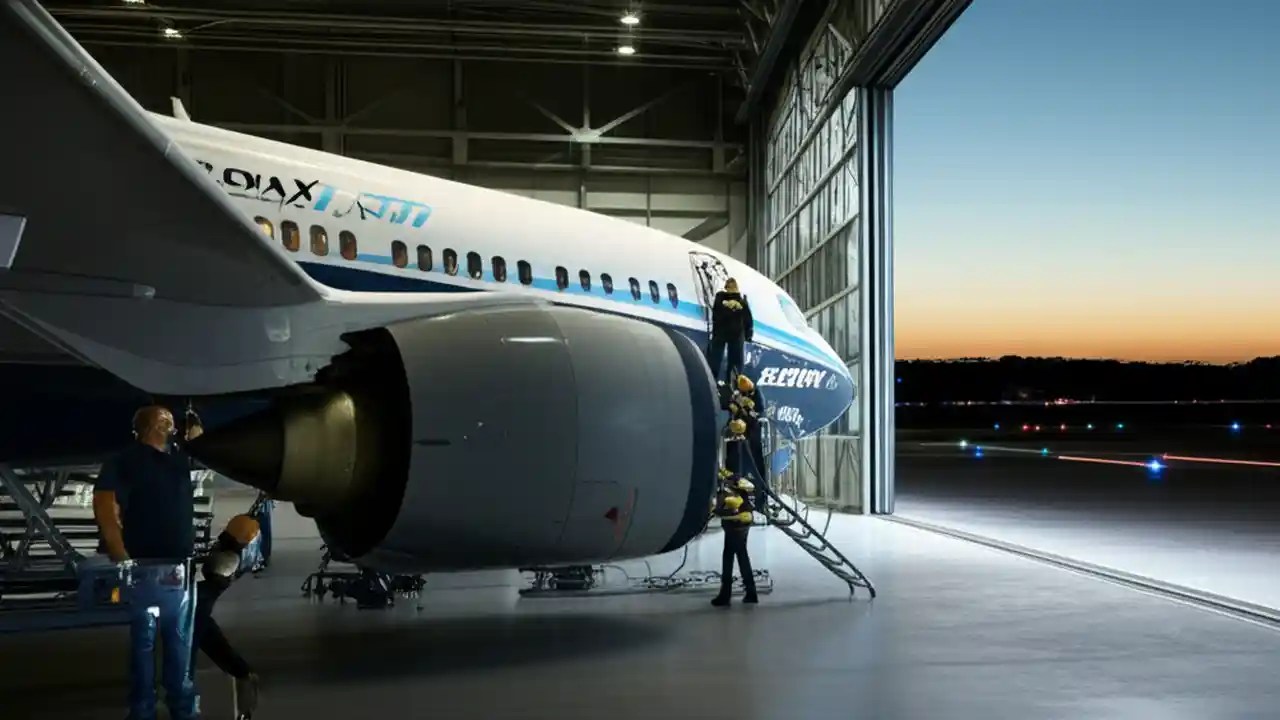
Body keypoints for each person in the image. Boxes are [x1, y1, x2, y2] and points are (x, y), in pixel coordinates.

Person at [93, 405, 202, 720]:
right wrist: (117, 550)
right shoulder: (130, 460)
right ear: (157, 424)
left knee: (153, 644)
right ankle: (175, 708)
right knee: (173, 644)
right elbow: (104, 502)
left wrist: (196, 435)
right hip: (157, 567)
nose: (173, 426)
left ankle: (146, 709)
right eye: (168, 420)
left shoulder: (175, 459)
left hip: (163, 566)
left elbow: (104, 500)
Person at [192, 514, 262, 719]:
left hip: (198, 602)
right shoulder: (228, 556)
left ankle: (243, 681)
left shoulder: (226, 560)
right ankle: (244, 679)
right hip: (200, 603)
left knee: (201, 634)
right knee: (209, 637)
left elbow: (212, 571)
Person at [710, 471, 758, 607]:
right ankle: (749, 592)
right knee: (739, 556)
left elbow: (728, 506)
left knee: (732, 558)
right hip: (740, 524)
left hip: (736, 525)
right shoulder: (740, 484)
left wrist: (715, 510)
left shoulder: (733, 486)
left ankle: (727, 595)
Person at [707, 278, 753, 384]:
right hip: (736, 334)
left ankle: (711, 381)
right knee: (735, 363)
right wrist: (748, 335)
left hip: (720, 332)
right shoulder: (742, 302)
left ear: (726, 287)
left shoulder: (720, 298)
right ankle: (732, 385)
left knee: (715, 359)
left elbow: (715, 315)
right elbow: (748, 320)